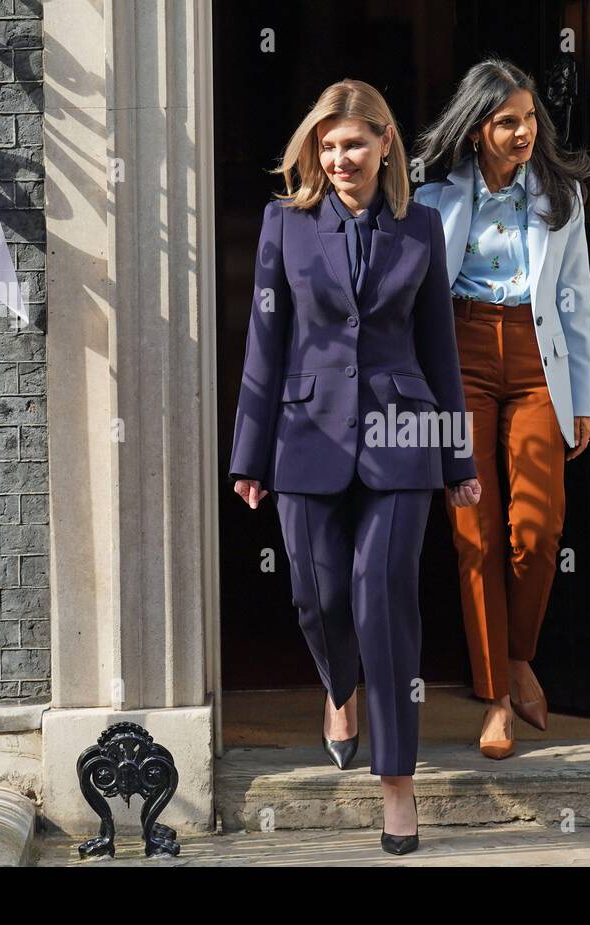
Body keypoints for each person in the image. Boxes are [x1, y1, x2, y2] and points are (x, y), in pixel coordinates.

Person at [228, 79, 481, 854]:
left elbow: (439, 345)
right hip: (305, 437)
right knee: (318, 593)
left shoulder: (423, 227)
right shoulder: (284, 225)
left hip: (404, 437)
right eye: (327, 145)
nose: (340, 158)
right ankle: (340, 686)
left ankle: (398, 785)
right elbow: (264, 346)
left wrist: (457, 456)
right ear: (316, 151)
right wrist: (249, 453)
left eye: (354, 144)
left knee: (383, 595)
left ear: (383, 147)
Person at [414, 59, 590, 759]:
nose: (524, 132)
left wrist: (580, 397)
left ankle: (521, 654)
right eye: (507, 121)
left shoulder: (561, 197)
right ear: (477, 128)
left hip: (535, 358)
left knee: (538, 526)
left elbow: (577, 301)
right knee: (475, 533)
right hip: (458, 352)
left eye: (529, 118)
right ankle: (495, 695)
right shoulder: (434, 200)